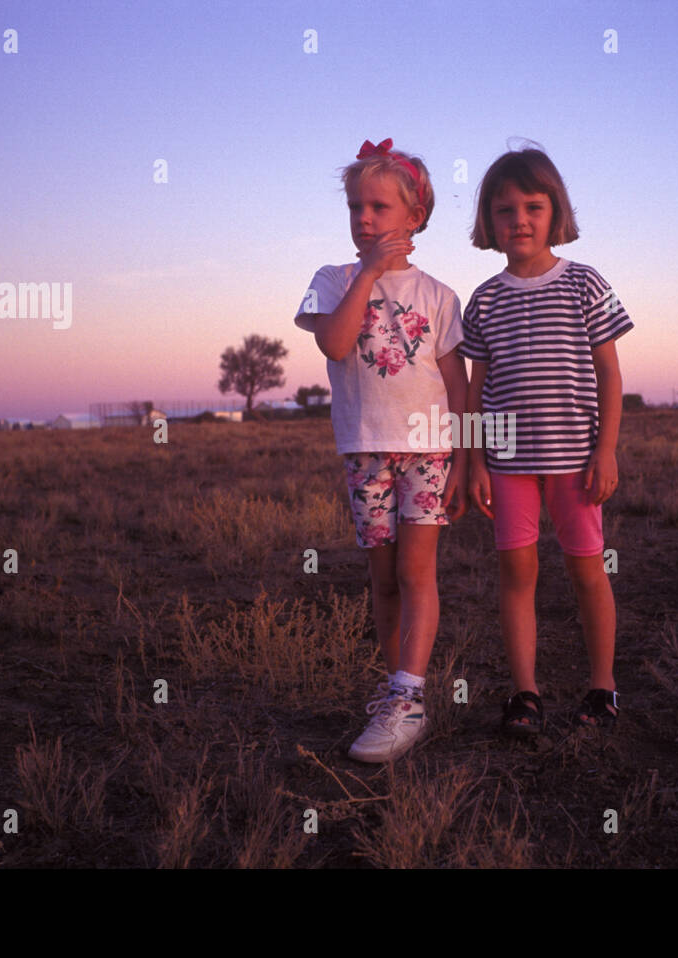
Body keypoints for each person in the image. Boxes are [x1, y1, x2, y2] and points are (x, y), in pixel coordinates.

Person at [294, 138, 468, 762]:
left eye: (379, 208)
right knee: (383, 576)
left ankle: (409, 696)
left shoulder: (440, 295)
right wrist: (367, 273)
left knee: (417, 572)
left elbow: (457, 384)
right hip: (365, 451)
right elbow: (335, 345)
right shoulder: (332, 279)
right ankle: (397, 689)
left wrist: (466, 460)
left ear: (414, 217)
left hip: (428, 451)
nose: (364, 219)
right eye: (354, 207)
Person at [460, 145, 632, 736]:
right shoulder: (484, 300)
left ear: (555, 210)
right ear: (488, 220)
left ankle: (603, 687)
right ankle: (525, 695)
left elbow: (610, 374)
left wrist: (606, 449)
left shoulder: (586, 283)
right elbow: (473, 390)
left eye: (534, 206)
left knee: (587, 571)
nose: (520, 220)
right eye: (505, 210)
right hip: (507, 465)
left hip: (576, 464)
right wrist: (473, 460)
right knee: (517, 575)